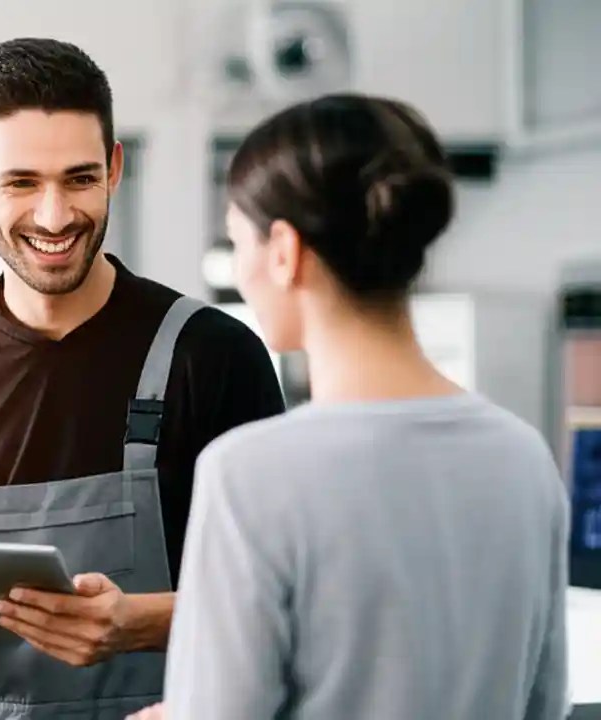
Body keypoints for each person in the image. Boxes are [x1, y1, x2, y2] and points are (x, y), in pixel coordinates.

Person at [0, 37, 286, 719]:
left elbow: (282, 602)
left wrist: (141, 622)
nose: (55, 217)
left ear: (114, 168)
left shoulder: (214, 355)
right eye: (22, 183)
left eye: (79, 179)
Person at [129, 94, 569, 719]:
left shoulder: (252, 473)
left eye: (236, 242)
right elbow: (542, 706)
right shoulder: (525, 458)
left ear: (283, 251)